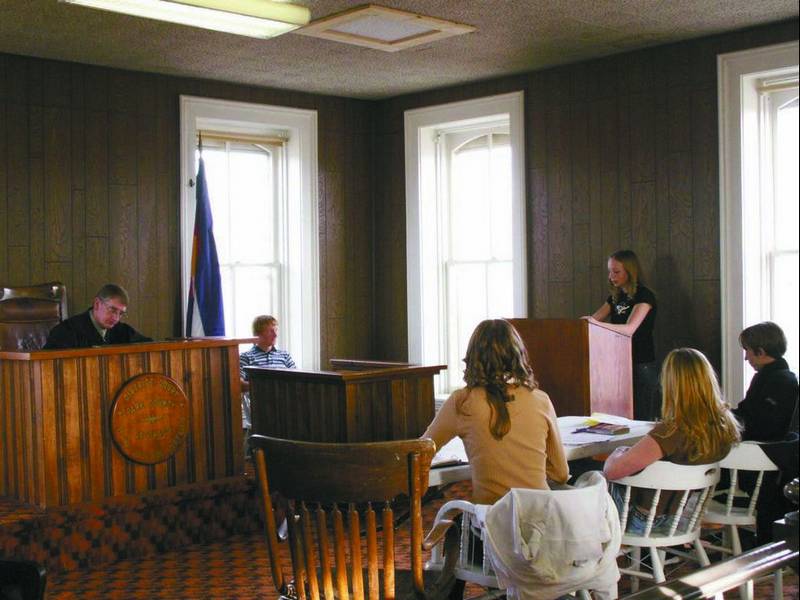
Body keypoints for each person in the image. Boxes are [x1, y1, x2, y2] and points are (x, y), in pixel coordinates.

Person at [422, 319, 569, 505]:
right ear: (518, 354)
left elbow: (421, 451)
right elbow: (561, 474)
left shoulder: (462, 402)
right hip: (540, 520)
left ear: (473, 356)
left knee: (454, 526)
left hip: (492, 523)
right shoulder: (541, 400)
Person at [603, 348, 741, 533]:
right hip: (682, 517)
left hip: (643, 520)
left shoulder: (672, 432)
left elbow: (613, 471)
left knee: (589, 479)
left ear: (672, 384)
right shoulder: (723, 425)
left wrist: (618, 452)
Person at [585, 249, 659, 421]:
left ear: (630, 271)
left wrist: (595, 323)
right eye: (610, 271)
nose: (611, 276)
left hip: (642, 363)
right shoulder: (615, 297)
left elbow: (629, 329)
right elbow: (594, 320)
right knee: (622, 417)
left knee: (642, 416)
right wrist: (586, 323)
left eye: (616, 272)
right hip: (618, 364)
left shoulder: (644, 295)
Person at [734, 321, 799, 441]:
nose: (746, 358)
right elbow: (746, 413)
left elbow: (762, 428)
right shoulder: (771, 377)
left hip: (765, 452)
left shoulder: (780, 382)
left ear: (760, 352)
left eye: (747, 350)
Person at [43, 283, 151, 349]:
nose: (116, 318)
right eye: (112, 310)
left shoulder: (122, 331)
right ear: (97, 304)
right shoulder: (66, 331)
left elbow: (151, 346)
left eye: (121, 313)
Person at [239, 315, 296, 432]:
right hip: (260, 407)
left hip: (285, 405)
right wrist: (265, 387)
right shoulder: (246, 357)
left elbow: (296, 378)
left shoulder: (284, 355)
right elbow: (239, 384)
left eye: (276, 330)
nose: (276, 335)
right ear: (258, 334)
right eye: (271, 331)